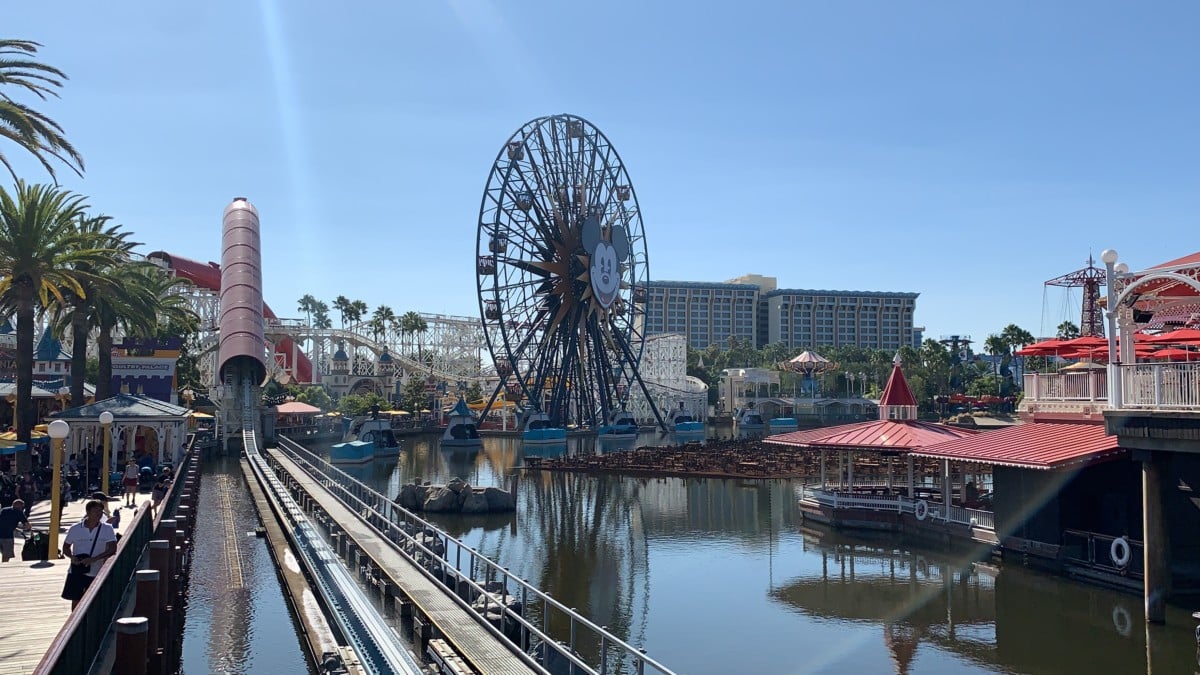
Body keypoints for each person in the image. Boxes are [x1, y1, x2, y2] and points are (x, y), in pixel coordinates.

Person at [61, 499, 117, 609]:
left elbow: (112, 549)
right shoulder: (75, 528)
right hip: (77, 569)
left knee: (95, 600)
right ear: (88, 512)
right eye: (96, 511)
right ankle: (75, 619)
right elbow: (66, 547)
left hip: (97, 571)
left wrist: (94, 559)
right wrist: (71, 557)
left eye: (100, 511)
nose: (99, 514)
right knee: (76, 599)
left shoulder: (107, 528)